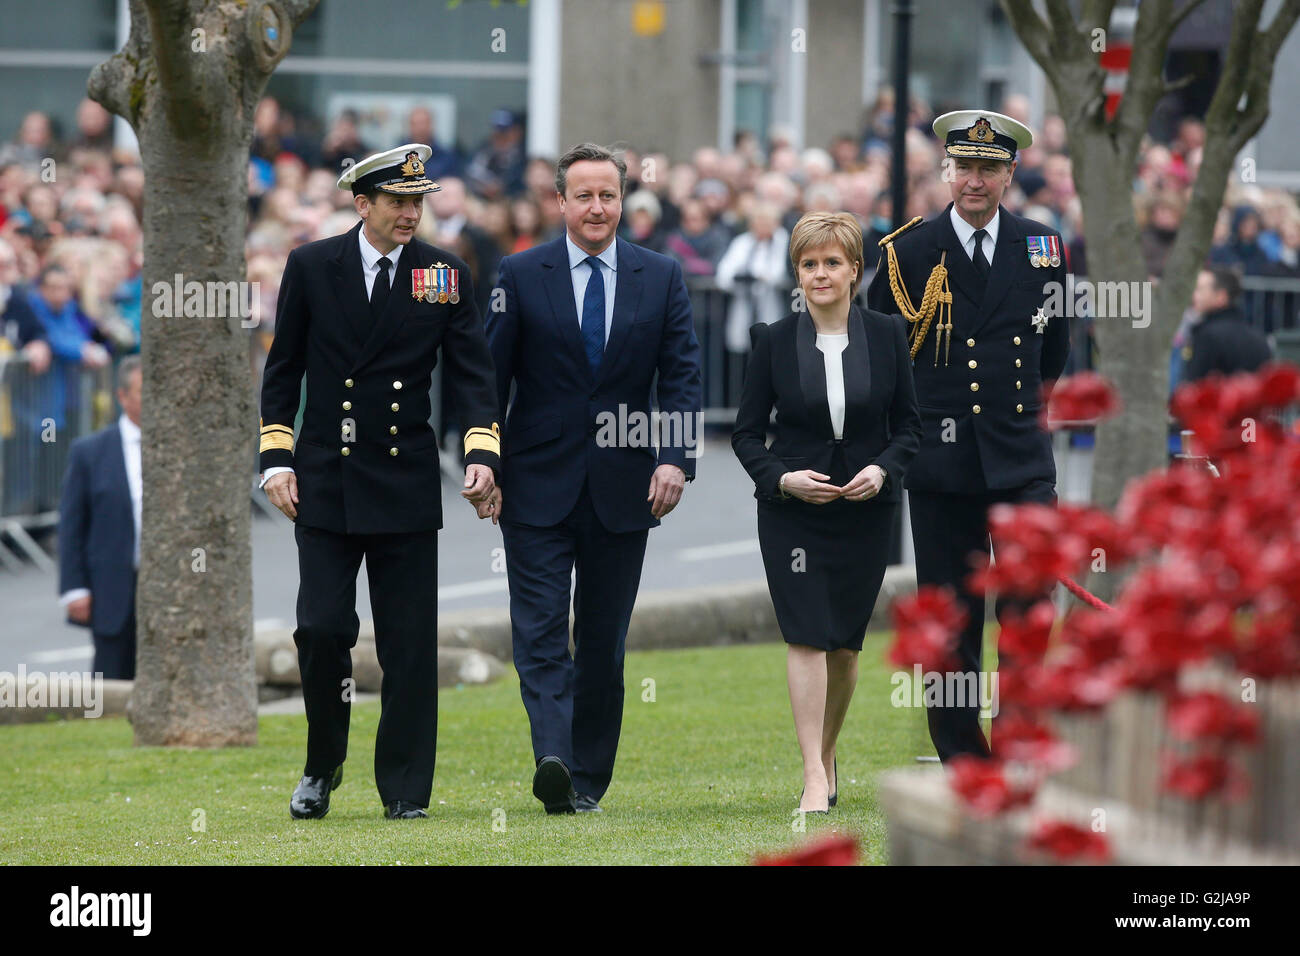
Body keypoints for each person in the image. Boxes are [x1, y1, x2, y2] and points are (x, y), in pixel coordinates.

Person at [258, 144, 502, 821]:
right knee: (321, 628)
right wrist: (275, 461)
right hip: (326, 478)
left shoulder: (443, 273)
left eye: (417, 201)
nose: (410, 213)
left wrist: (481, 451)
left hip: (403, 478)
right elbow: (283, 372)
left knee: (408, 643)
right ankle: (321, 763)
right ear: (361, 203)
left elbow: (473, 375)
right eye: (397, 201)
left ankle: (404, 789)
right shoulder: (312, 266)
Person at [484, 143, 702, 814]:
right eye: (584, 195)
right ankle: (552, 755)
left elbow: (685, 375)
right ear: (560, 202)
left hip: (625, 486)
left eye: (608, 194)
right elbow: (486, 382)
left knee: (603, 642)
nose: (598, 207)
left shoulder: (660, 275)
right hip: (534, 484)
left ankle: (588, 776)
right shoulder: (519, 274)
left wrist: (674, 457)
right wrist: (483, 460)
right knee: (541, 630)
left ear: (623, 198)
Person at [866, 110, 1071, 763]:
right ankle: (961, 752)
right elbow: (880, 357)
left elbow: (1055, 354)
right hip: (942, 463)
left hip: (1020, 458)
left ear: (1011, 174)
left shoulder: (1042, 247)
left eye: (989, 167)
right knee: (951, 618)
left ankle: (1018, 740)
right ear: (947, 171)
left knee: (1026, 608)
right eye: (965, 167)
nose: (975, 179)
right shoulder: (908, 251)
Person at [732, 212, 921, 813]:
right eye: (809, 264)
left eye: (832, 263)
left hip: (866, 509)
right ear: (797, 273)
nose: (820, 274)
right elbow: (744, 435)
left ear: (854, 271)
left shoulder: (889, 335)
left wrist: (883, 469)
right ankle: (813, 773)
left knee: (845, 645)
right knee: (808, 636)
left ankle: (828, 753)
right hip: (794, 514)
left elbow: (910, 428)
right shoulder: (771, 340)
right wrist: (781, 478)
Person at [58, 356, 142, 680]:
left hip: (163, 587)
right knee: (111, 679)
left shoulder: (175, 449)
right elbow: (72, 524)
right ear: (122, 397)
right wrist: (74, 587)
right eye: (141, 391)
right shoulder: (90, 452)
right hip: (112, 587)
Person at [1182, 266, 1272, 384]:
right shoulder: (1257, 337)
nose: (1194, 296)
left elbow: (1195, 385)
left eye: (1200, 290)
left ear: (1221, 296)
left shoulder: (1207, 336)